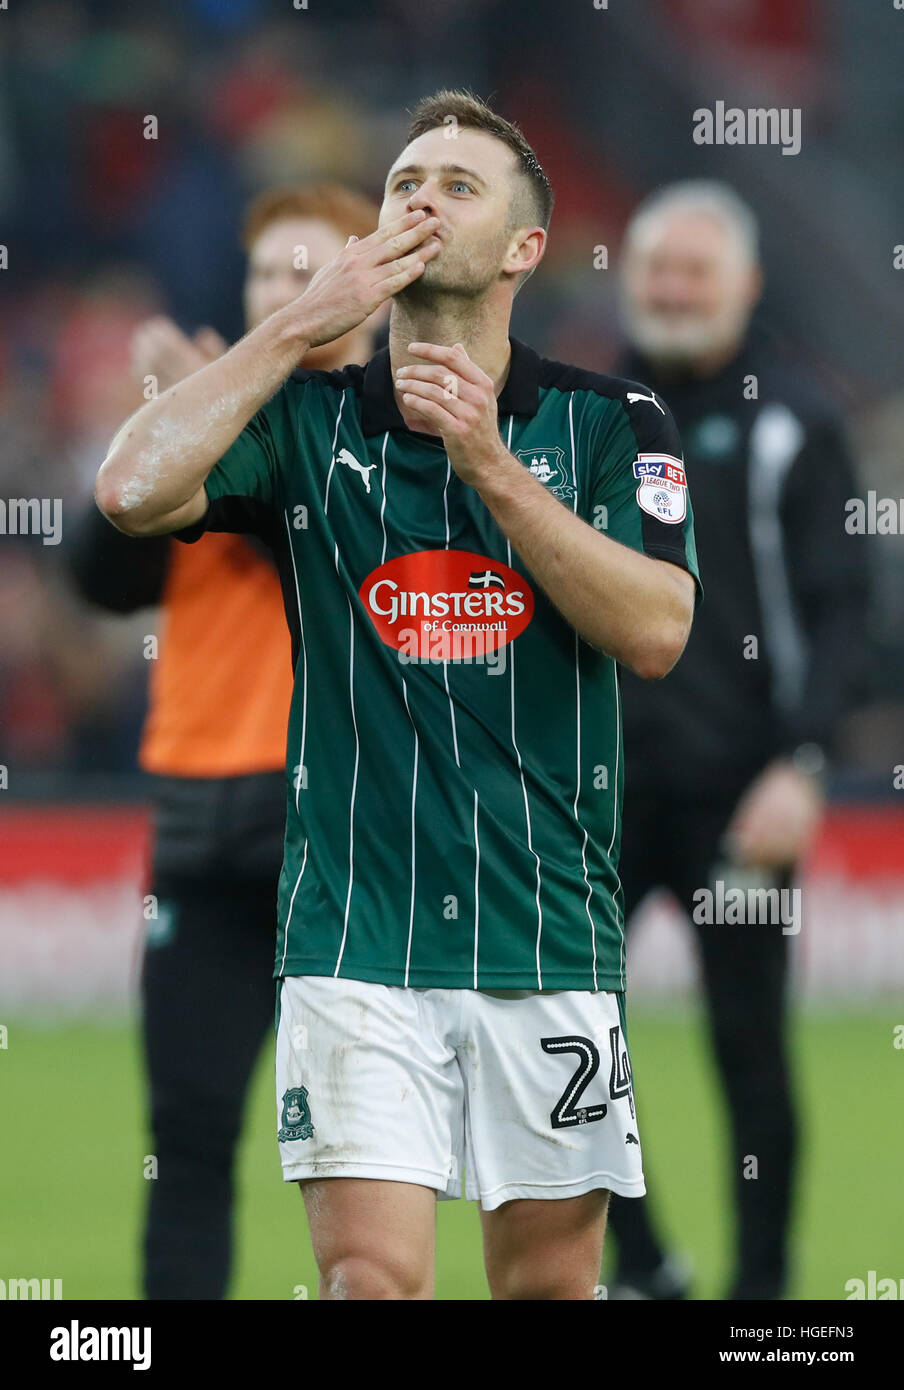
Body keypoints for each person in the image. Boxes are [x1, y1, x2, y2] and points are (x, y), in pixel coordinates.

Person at [94, 89, 701, 1302]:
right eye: (403, 182)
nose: (421, 197)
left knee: (547, 1288)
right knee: (370, 1281)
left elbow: (655, 630)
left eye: (458, 185)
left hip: (547, 934)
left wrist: (488, 466)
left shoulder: (605, 418)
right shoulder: (309, 420)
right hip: (353, 940)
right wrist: (290, 330)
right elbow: (129, 492)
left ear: (526, 248)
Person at [69, 184, 382, 1299]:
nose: (280, 294)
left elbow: (286, 539)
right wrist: (157, 412)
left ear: (368, 288)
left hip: (342, 836)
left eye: (306, 276)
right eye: (264, 277)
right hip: (201, 824)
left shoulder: (384, 427)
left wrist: (217, 386)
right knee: (189, 1136)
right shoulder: (199, 423)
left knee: (368, 1155)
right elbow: (103, 578)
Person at [606, 181, 870, 1301]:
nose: (671, 290)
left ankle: (758, 1300)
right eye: (657, 270)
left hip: (739, 798)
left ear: (745, 286)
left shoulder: (792, 419)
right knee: (561, 1047)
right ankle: (635, 1266)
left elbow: (846, 608)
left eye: (694, 272)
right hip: (596, 794)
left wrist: (802, 766)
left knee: (748, 1050)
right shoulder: (582, 410)